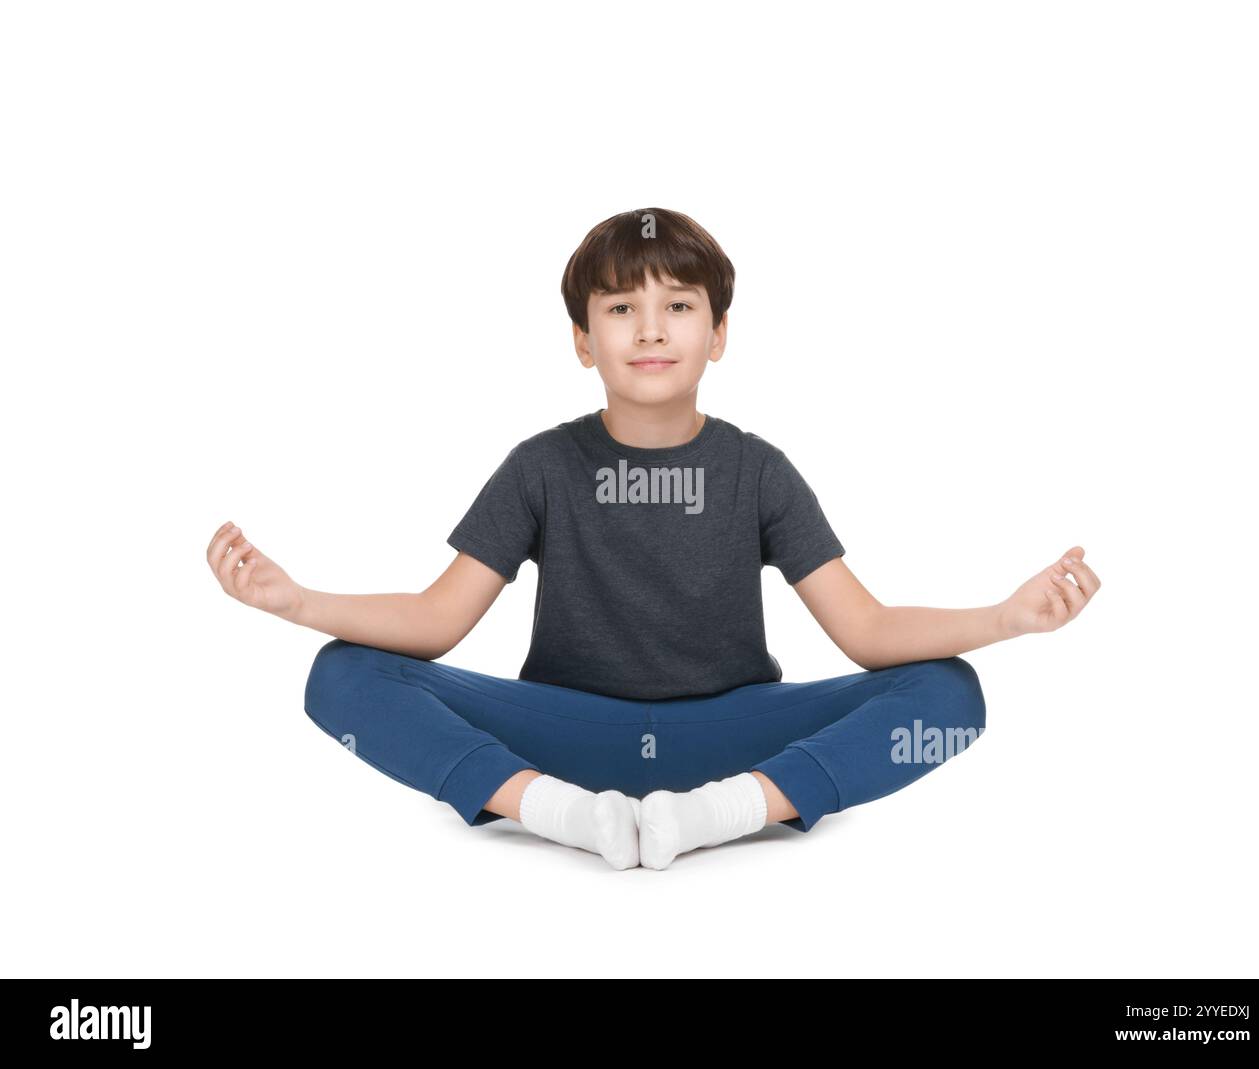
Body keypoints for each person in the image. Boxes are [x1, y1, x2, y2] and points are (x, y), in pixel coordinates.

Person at [205, 207, 1101, 871]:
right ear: (583, 341)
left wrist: (1006, 616)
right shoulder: (540, 465)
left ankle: (728, 813)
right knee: (339, 673)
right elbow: (439, 619)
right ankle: (550, 812)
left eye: (677, 306)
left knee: (953, 695)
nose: (650, 329)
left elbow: (864, 632)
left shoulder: (759, 469)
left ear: (717, 336)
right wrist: (297, 601)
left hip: (734, 735)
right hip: (562, 735)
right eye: (621, 310)